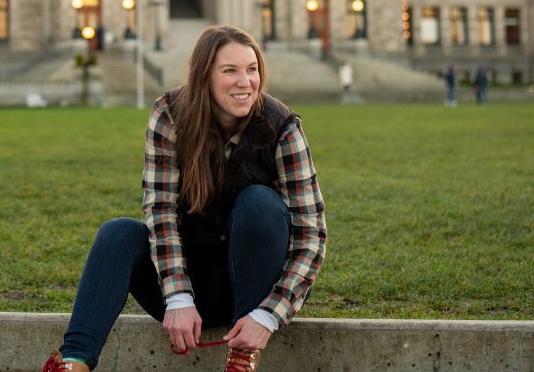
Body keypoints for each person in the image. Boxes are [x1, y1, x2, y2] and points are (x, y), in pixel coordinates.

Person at [42, 25, 327, 372]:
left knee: (259, 202)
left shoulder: (281, 126)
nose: (245, 82)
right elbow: (160, 213)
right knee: (117, 233)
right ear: (204, 75)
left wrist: (268, 315)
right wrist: (177, 296)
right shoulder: (171, 115)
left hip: (261, 290)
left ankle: (242, 358)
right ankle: (74, 362)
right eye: (230, 71)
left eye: (252, 70)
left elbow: (311, 237)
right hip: (190, 282)